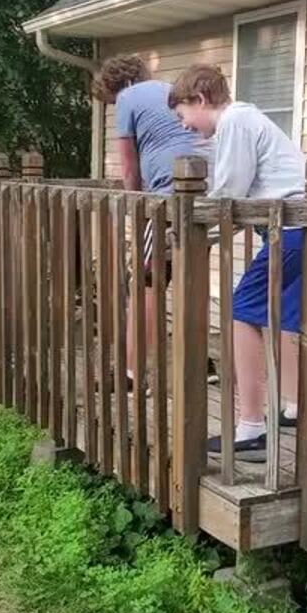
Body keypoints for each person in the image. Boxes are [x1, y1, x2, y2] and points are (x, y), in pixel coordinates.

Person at [168, 63, 305, 461]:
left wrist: (192, 233)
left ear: (200, 99)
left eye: (183, 116)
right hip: (303, 230)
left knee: (241, 312)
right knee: (285, 318)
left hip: (290, 231)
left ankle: (252, 430)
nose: (185, 126)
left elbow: (228, 192)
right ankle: (294, 407)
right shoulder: (246, 120)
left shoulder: (236, 122)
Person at [94, 54, 217, 387]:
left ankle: (132, 373)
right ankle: (202, 364)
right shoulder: (170, 88)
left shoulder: (127, 98)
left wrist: (135, 206)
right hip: (208, 194)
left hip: (167, 198)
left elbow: (130, 168)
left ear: (113, 86)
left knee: (147, 283)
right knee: (193, 281)